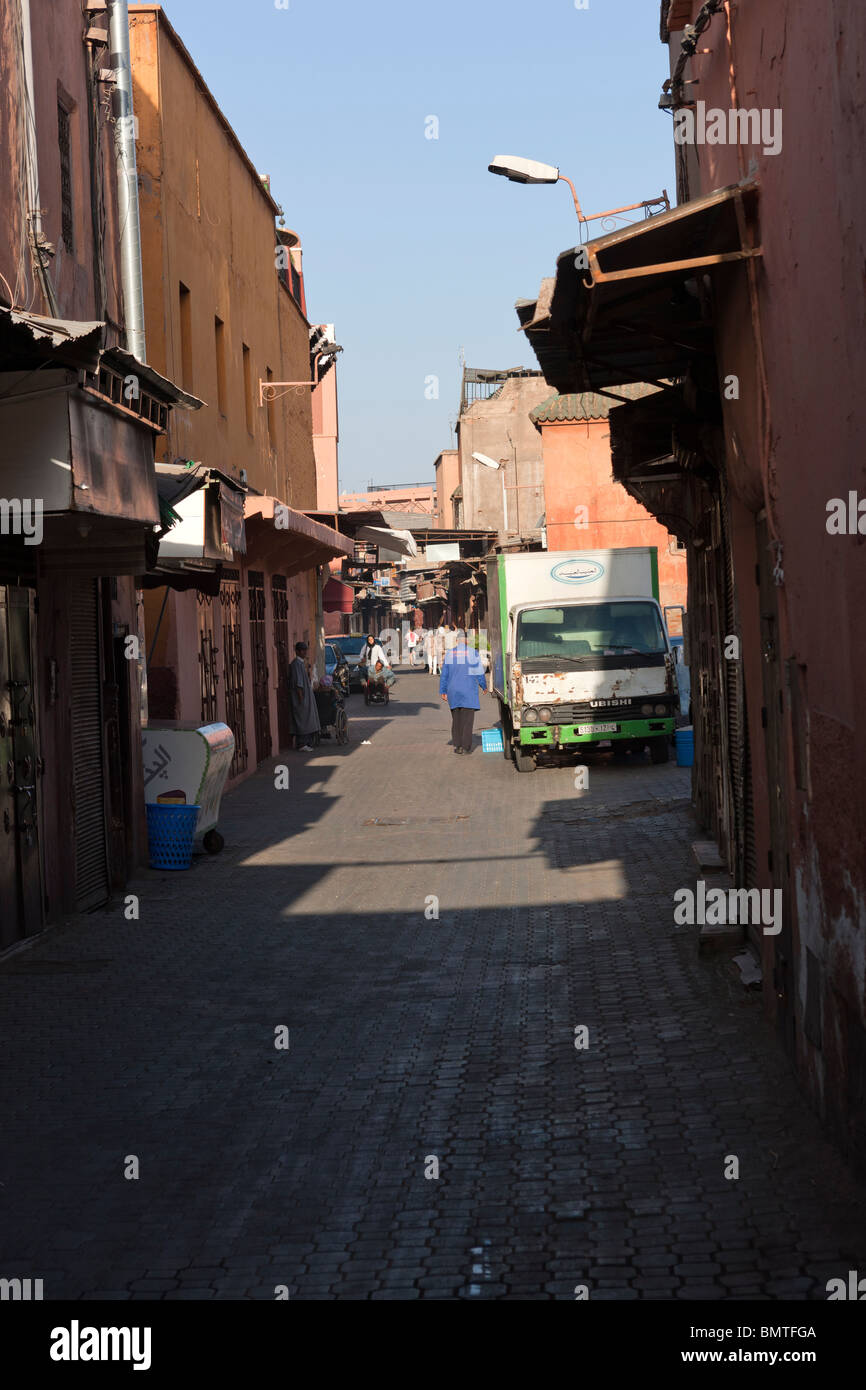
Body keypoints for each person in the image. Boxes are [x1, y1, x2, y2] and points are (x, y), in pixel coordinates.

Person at [439, 630, 487, 755]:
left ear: (456, 641)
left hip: (453, 691)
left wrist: (443, 690)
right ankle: (466, 747)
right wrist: (484, 685)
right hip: (468, 690)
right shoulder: (472, 653)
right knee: (467, 720)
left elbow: (444, 674)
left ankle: (458, 745)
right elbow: (479, 672)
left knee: (457, 719)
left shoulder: (450, 654)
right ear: (466, 641)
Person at [289, 641, 320, 750]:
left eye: (305, 650)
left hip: (305, 697)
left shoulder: (301, 663)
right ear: (297, 651)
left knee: (307, 719)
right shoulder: (296, 664)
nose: (304, 652)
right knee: (302, 720)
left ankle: (306, 742)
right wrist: (301, 700)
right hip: (301, 698)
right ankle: (302, 744)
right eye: (302, 650)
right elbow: (299, 684)